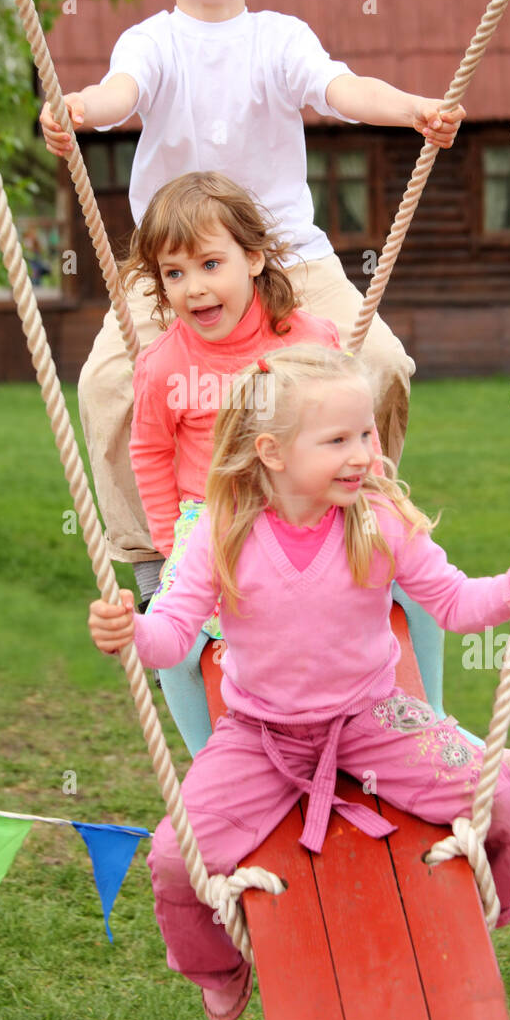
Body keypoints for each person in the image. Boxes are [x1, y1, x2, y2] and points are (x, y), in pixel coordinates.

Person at [88, 345, 510, 1020]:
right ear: (273, 452)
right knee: (174, 857)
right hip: (259, 735)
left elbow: (456, 604)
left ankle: (493, 903)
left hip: (372, 719)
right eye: (338, 439)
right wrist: (129, 630)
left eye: (366, 433)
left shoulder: (378, 519)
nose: (363, 454)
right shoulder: (223, 532)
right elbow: (170, 639)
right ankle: (218, 966)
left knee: (501, 797)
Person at [40, 0, 466, 608]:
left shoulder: (278, 39)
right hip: (172, 265)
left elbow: (342, 88)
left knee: (382, 364)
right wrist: (78, 107)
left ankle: (360, 516)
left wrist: (411, 108)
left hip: (285, 256)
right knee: (108, 383)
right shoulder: (155, 41)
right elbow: (121, 94)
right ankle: (151, 560)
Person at [122, 169, 347, 754]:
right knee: (175, 633)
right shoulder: (165, 364)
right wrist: (171, 545)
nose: (193, 288)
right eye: (174, 273)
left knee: (407, 584)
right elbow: (148, 450)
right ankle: (208, 757)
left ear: (252, 258)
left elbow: (345, 425)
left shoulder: (305, 339)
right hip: (214, 516)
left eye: (209, 265)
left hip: (306, 507)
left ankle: (429, 710)